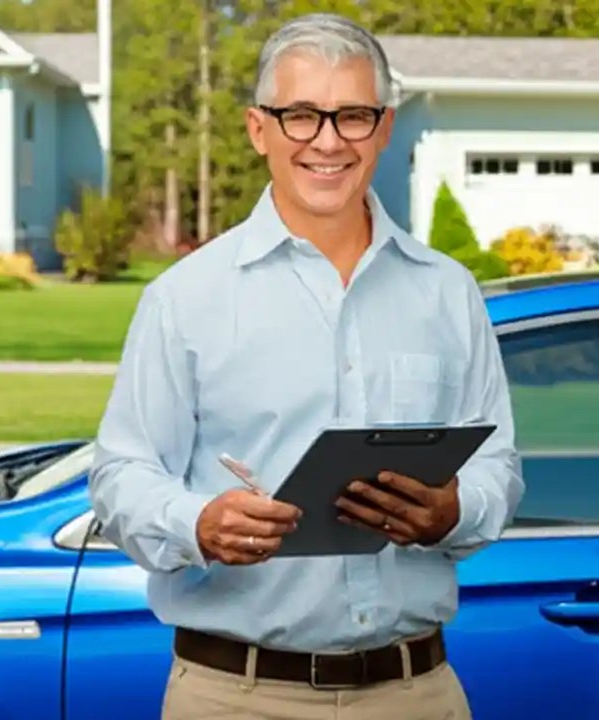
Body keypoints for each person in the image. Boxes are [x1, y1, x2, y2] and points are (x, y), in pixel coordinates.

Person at [88, 12, 524, 720]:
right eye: (301, 116)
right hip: (235, 697)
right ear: (259, 129)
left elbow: (498, 467)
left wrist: (453, 511)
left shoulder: (448, 292)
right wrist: (198, 523)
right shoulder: (185, 298)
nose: (328, 141)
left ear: (383, 129)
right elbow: (119, 476)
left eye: (352, 116)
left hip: (415, 694)